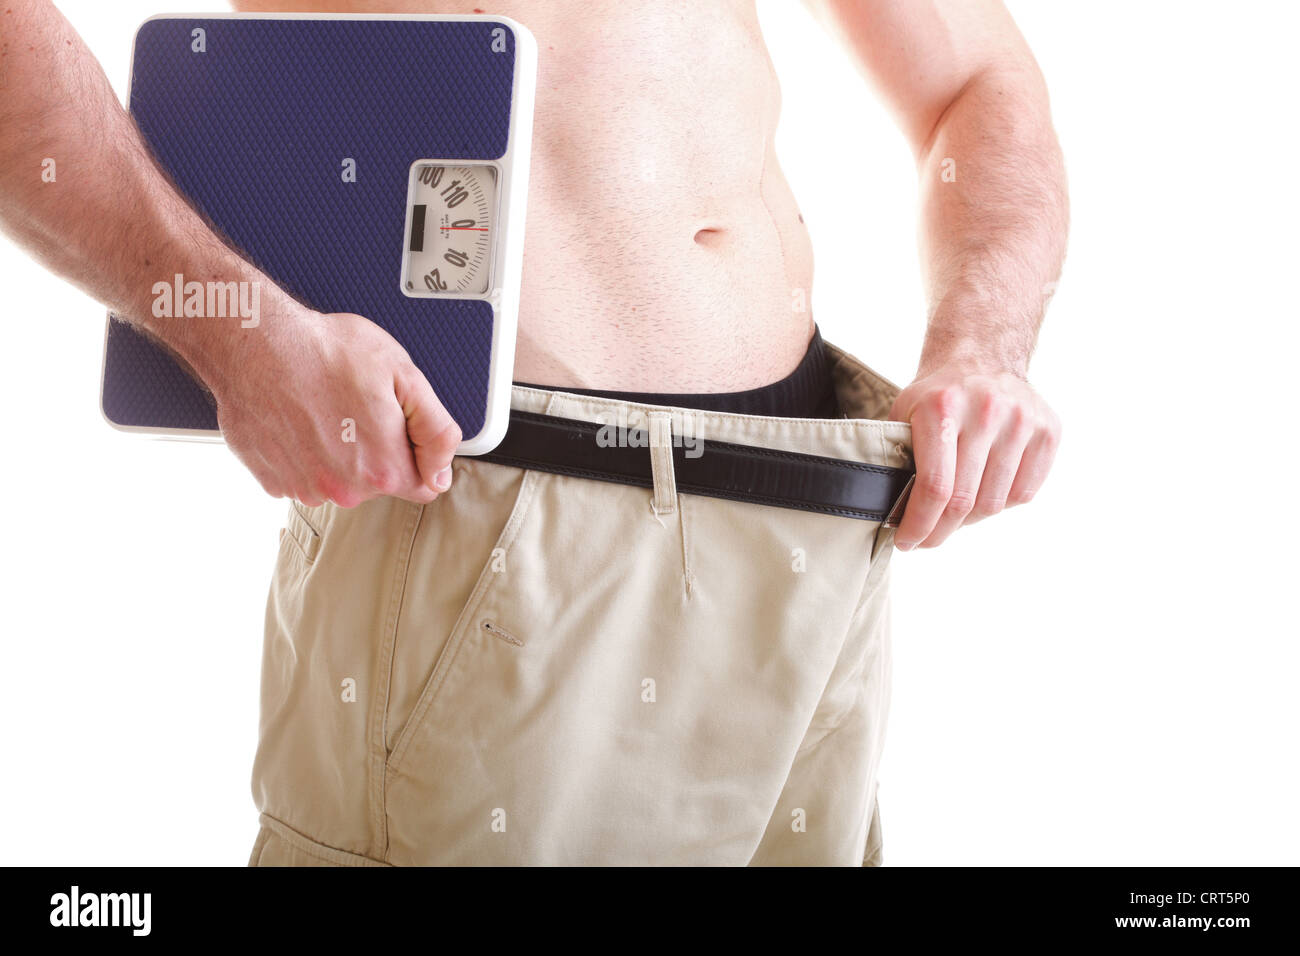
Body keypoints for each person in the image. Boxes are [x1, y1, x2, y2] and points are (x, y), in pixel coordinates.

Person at [0, 0, 1065, 865]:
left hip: (816, 498)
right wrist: (237, 333)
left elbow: (974, 81)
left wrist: (983, 342)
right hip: (489, 501)